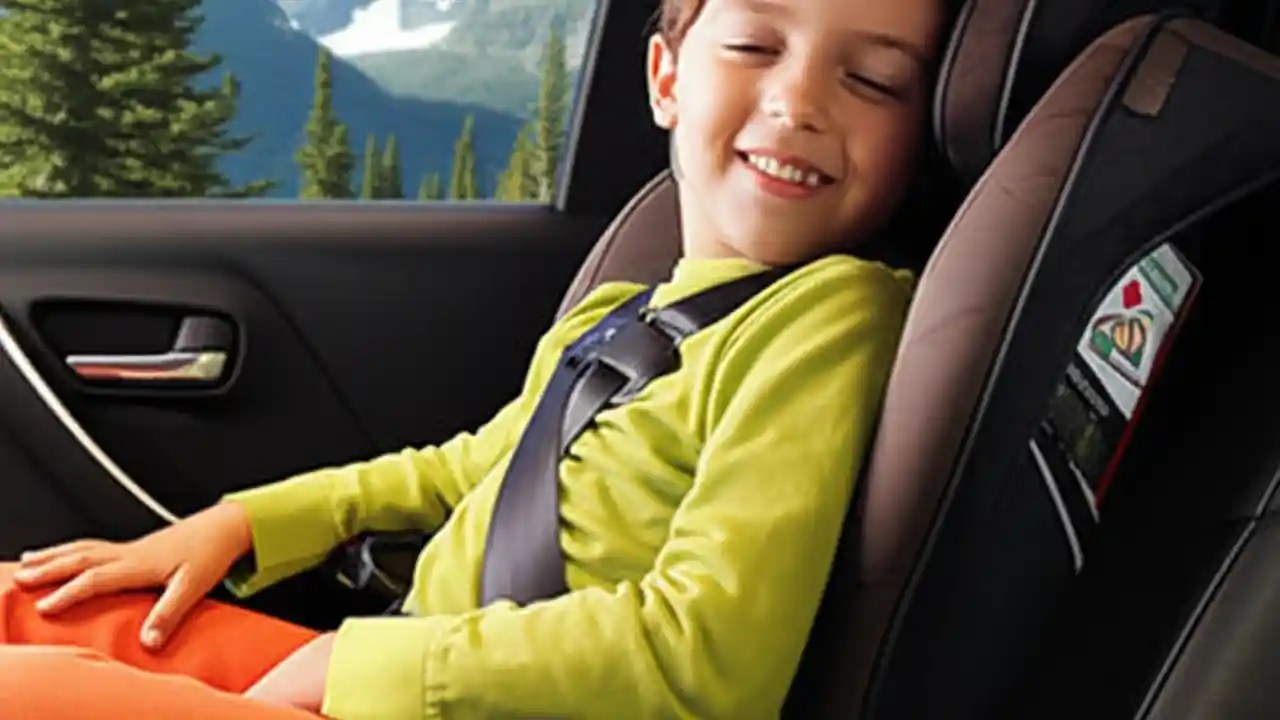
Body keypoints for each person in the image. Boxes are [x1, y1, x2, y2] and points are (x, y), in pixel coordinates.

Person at [0, 0, 951, 717]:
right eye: (753, 46)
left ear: (917, 135)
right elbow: (468, 466)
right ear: (666, 79)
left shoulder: (832, 317)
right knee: (22, 605)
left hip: (432, 690)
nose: (800, 102)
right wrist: (239, 523)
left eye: (872, 80)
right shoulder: (625, 314)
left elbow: (710, 659)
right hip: (412, 671)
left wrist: (353, 665)